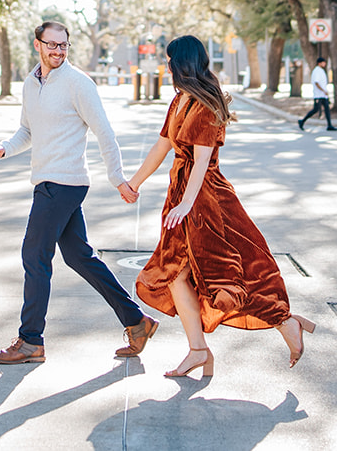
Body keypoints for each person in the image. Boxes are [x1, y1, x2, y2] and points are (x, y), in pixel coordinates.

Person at [128, 34, 316, 378]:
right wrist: (134, 183)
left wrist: (186, 204)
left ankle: (285, 322)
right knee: (177, 274)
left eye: (170, 60)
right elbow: (162, 147)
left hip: (206, 201)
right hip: (182, 197)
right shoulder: (179, 101)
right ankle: (199, 350)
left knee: (224, 276)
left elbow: (201, 162)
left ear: (181, 63)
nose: (166, 65)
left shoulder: (204, 105)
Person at [0, 21, 157, 365]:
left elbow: (104, 132)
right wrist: (5, 147)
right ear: (38, 45)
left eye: (63, 45)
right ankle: (137, 321)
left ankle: (30, 340)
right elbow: (27, 130)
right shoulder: (32, 84)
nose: (58, 51)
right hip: (47, 181)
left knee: (34, 256)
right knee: (79, 257)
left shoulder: (79, 84)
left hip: (64, 184)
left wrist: (118, 178)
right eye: (52, 45)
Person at [298, 56, 337, 131]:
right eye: (323, 62)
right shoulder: (317, 71)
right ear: (320, 63)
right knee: (315, 110)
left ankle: (329, 125)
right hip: (318, 95)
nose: (325, 64)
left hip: (323, 95)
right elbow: (316, 82)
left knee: (327, 109)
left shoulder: (321, 70)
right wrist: (323, 90)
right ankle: (302, 121)